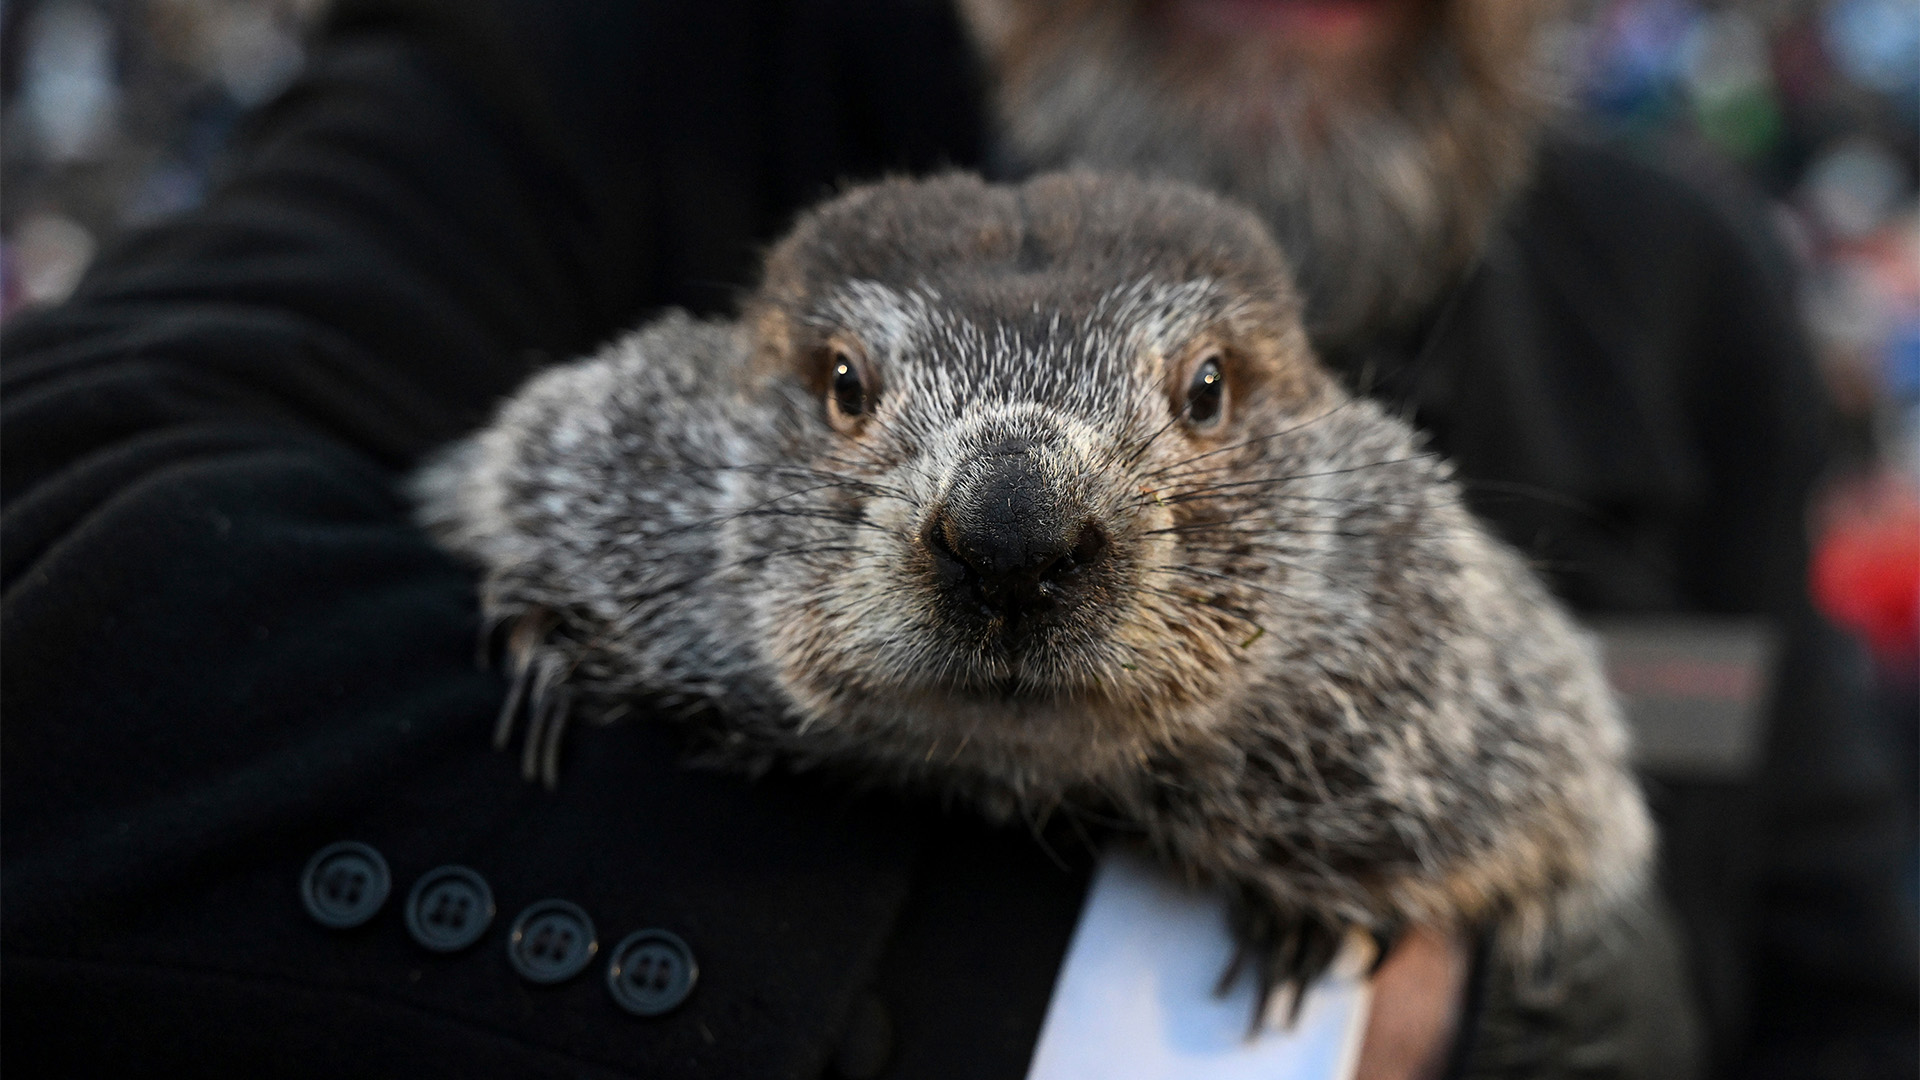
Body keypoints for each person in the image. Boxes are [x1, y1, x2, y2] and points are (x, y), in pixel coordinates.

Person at [2, 0, 1910, 1077]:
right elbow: (63, 562)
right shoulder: (581, 77)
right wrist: (1115, 1010)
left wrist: (1552, 995)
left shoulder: (1685, 293)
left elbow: (1822, 966)